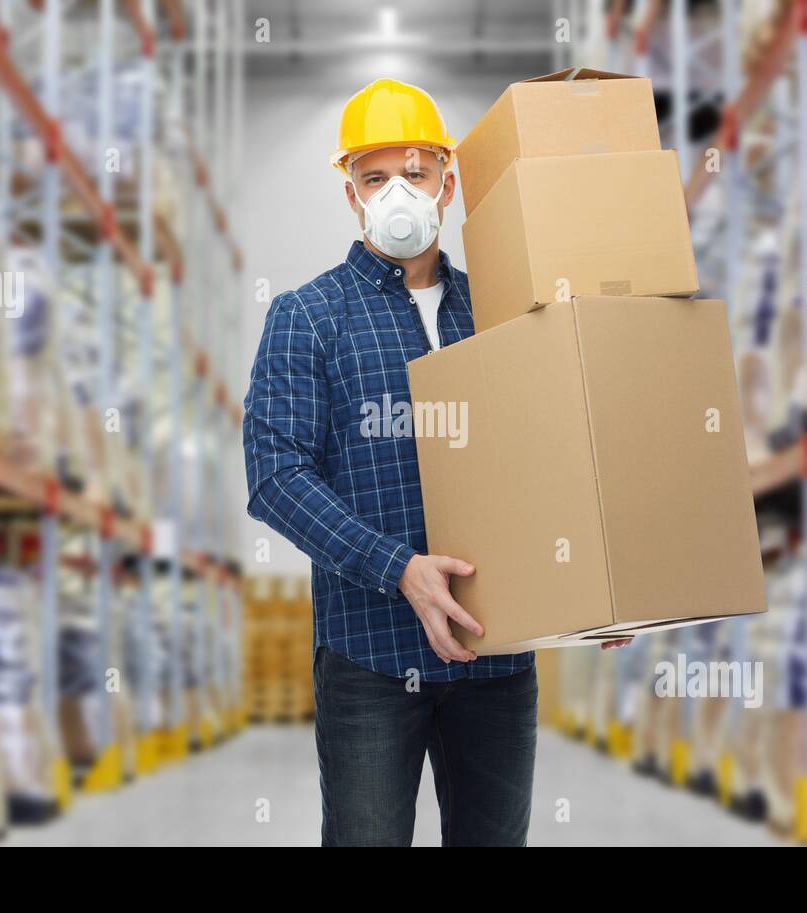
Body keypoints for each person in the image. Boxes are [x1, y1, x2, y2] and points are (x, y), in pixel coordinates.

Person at [243, 78, 628, 847]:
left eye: (414, 173)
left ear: (447, 184)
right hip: (372, 660)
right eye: (374, 176)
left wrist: (596, 586)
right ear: (351, 193)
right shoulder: (308, 316)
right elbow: (276, 475)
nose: (396, 193)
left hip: (496, 659)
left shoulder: (502, 312)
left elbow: (548, 457)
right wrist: (399, 568)